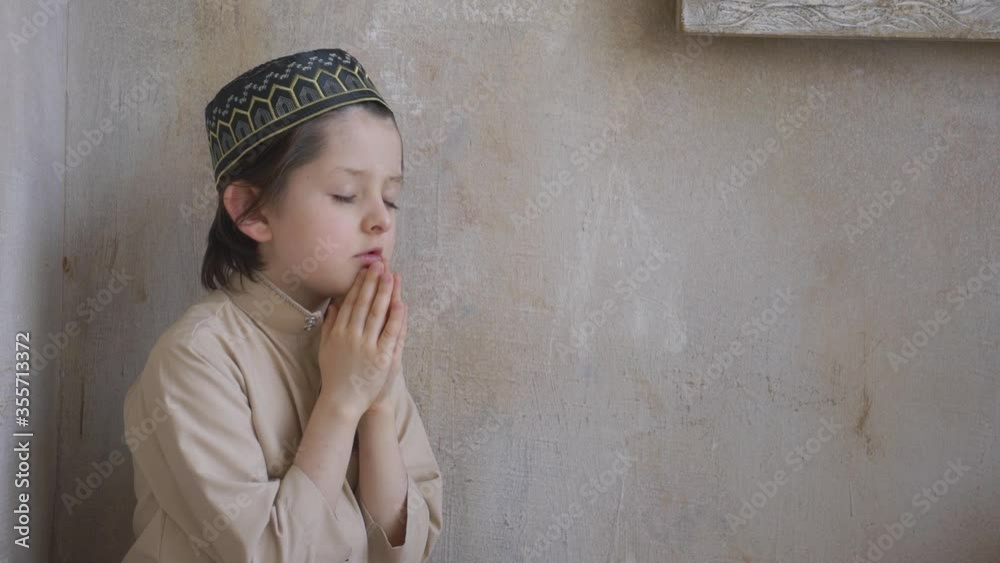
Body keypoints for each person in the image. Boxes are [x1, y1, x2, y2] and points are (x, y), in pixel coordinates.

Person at [121, 47, 443, 563]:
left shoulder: (362, 343)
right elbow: (270, 554)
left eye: (391, 197)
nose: (381, 220)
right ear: (251, 210)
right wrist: (342, 401)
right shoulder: (196, 358)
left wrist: (377, 403)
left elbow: (404, 551)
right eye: (346, 194)